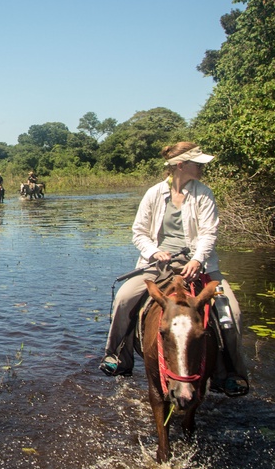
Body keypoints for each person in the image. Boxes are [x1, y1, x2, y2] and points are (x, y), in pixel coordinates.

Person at [100, 142, 248, 395]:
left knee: (231, 313)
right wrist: (154, 252)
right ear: (181, 166)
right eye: (197, 163)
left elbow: (209, 233)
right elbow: (139, 232)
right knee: (124, 298)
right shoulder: (154, 194)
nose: (201, 167)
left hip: (199, 265)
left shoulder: (204, 193)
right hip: (158, 265)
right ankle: (117, 357)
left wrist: (197, 260)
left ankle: (231, 374)